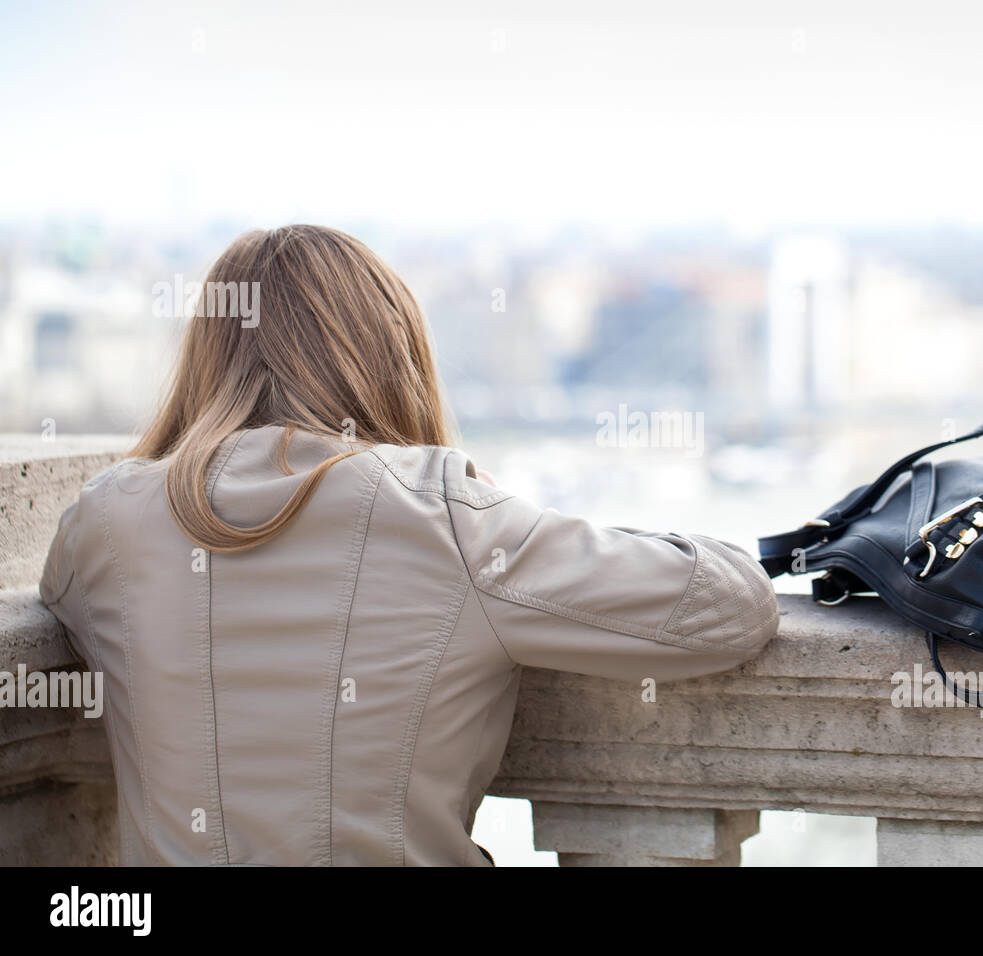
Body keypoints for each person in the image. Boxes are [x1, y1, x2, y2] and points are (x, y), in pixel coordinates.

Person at [38, 225, 781, 866]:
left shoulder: (108, 523)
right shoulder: (443, 517)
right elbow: (732, 606)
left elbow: (69, 599)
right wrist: (499, 513)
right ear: (388, 351)